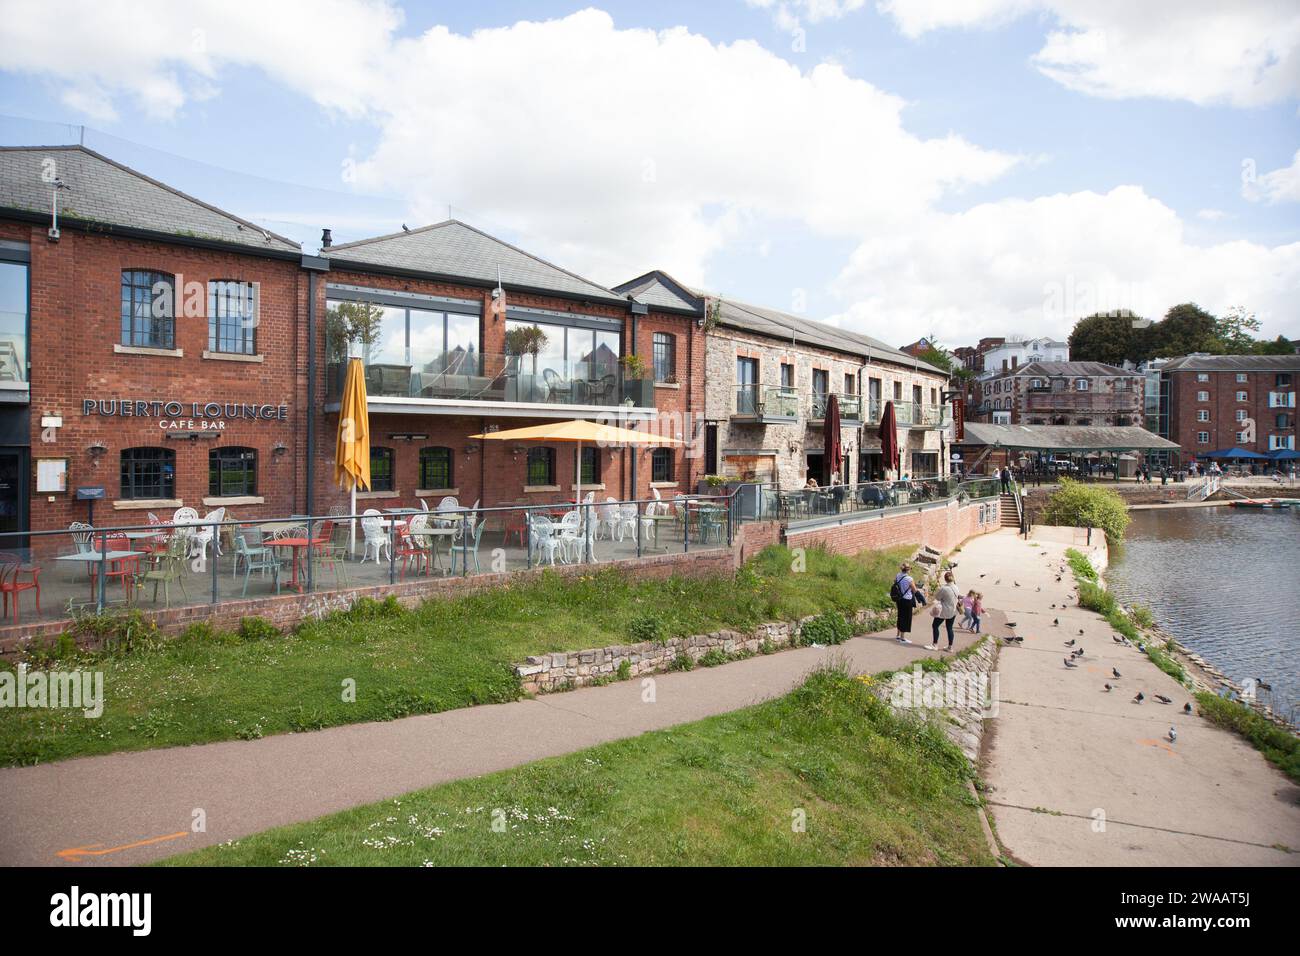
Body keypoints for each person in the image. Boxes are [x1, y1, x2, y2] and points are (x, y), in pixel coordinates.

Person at [930, 570, 960, 652]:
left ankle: (935, 644)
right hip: (953, 611)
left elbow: (937, 598)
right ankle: (950, 647)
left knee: (935, 626)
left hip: (944, 611)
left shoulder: (944, 588)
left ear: (945, 579)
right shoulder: (956, 587)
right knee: (949, 628)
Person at [893, 562, 919, 644]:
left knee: (900, 616)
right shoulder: (909, 579)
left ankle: (897, 635)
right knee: (906, 618)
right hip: (907, 600)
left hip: (899, 599)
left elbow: (895, 582)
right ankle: (902, 638)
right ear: (908, 570)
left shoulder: (898, 575)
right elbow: (914, 590)